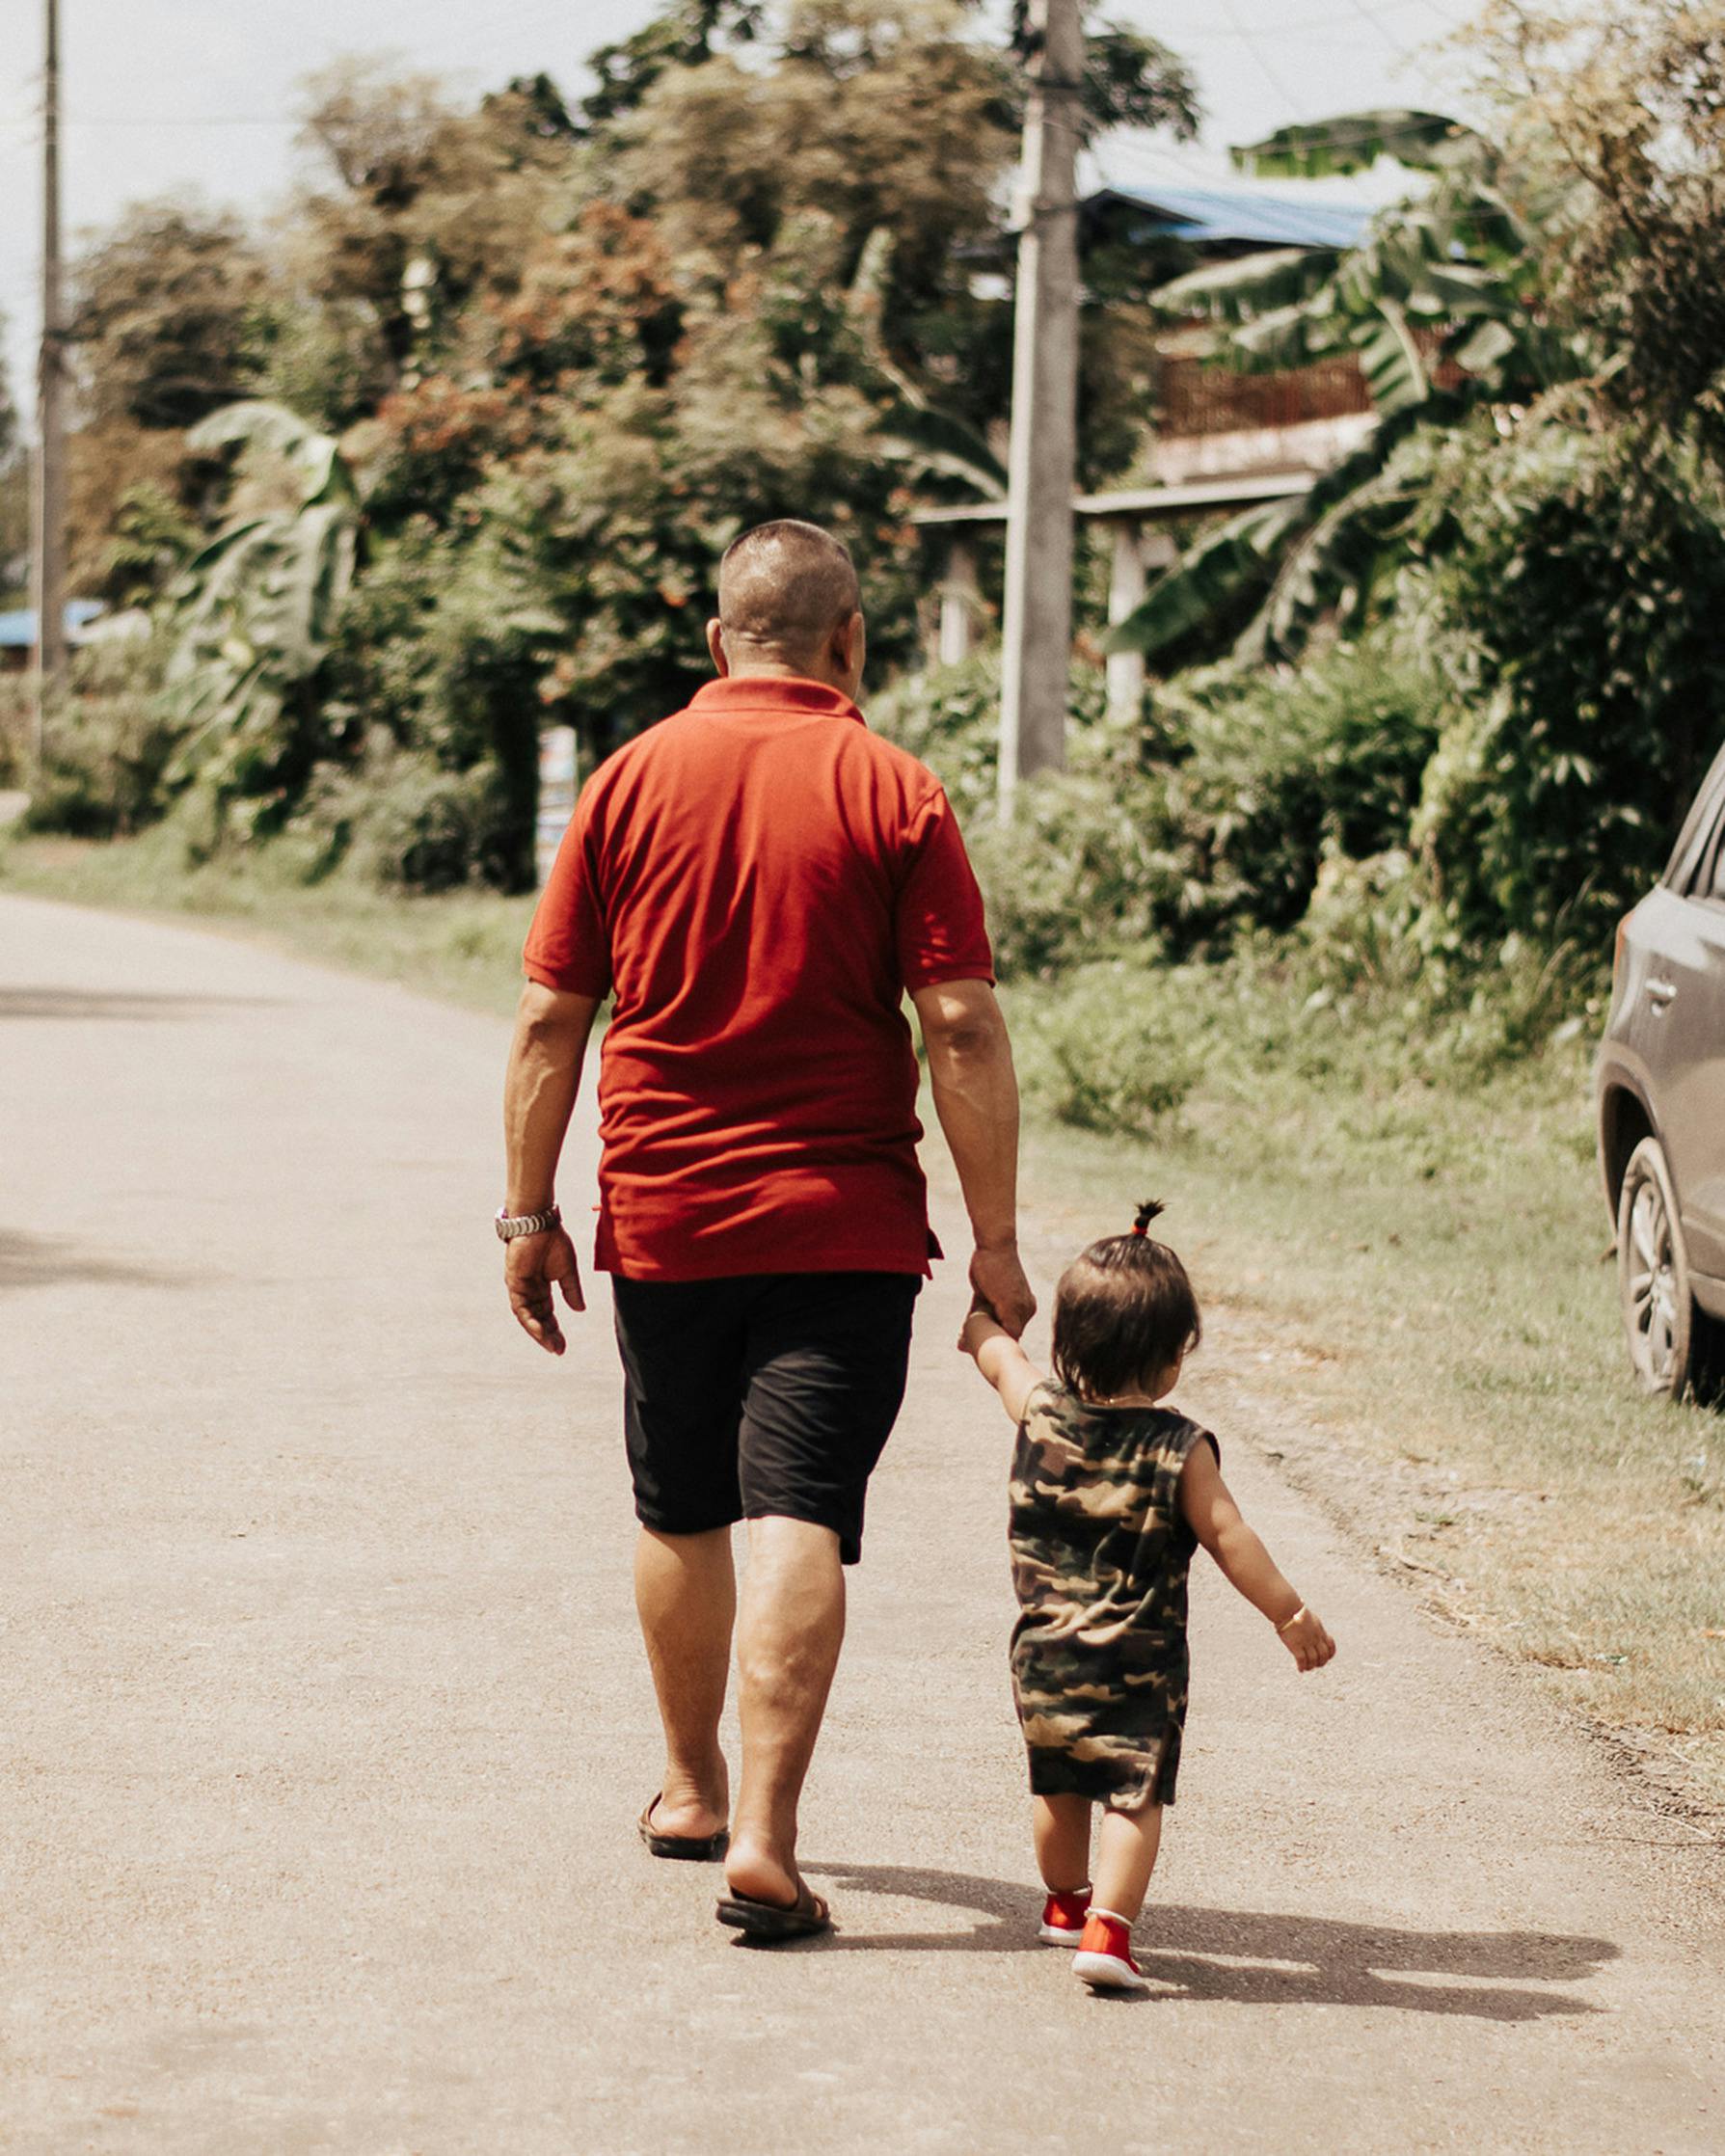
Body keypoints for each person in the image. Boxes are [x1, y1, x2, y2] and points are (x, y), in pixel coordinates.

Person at [499, 519, 1034, 1943]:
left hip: (664, 1217)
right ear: (849, 641)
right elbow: (963, 1024)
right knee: (799, 1505)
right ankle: (766, 1838)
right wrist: (993, 1239)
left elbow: (556, 1016)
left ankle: (687, 1787)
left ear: (716, 639)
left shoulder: (624, 783)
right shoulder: (893, 787)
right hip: (844, 1223)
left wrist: (526, 1214)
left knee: (679, 1497)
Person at [960, 1201, 1336, 1993]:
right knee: (1133, 1794)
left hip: (1043, 1652)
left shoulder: (1040, 1411)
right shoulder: (1179, 1447)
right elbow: (1232, 1540)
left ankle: (1064, 1904)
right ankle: (1109, 1929)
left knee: (1057, 1781)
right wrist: (1290, 1614)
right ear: (1172, 1359)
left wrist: (982, 1320)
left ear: (1068, 1345)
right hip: (1138, 1659)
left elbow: (997, 1359)